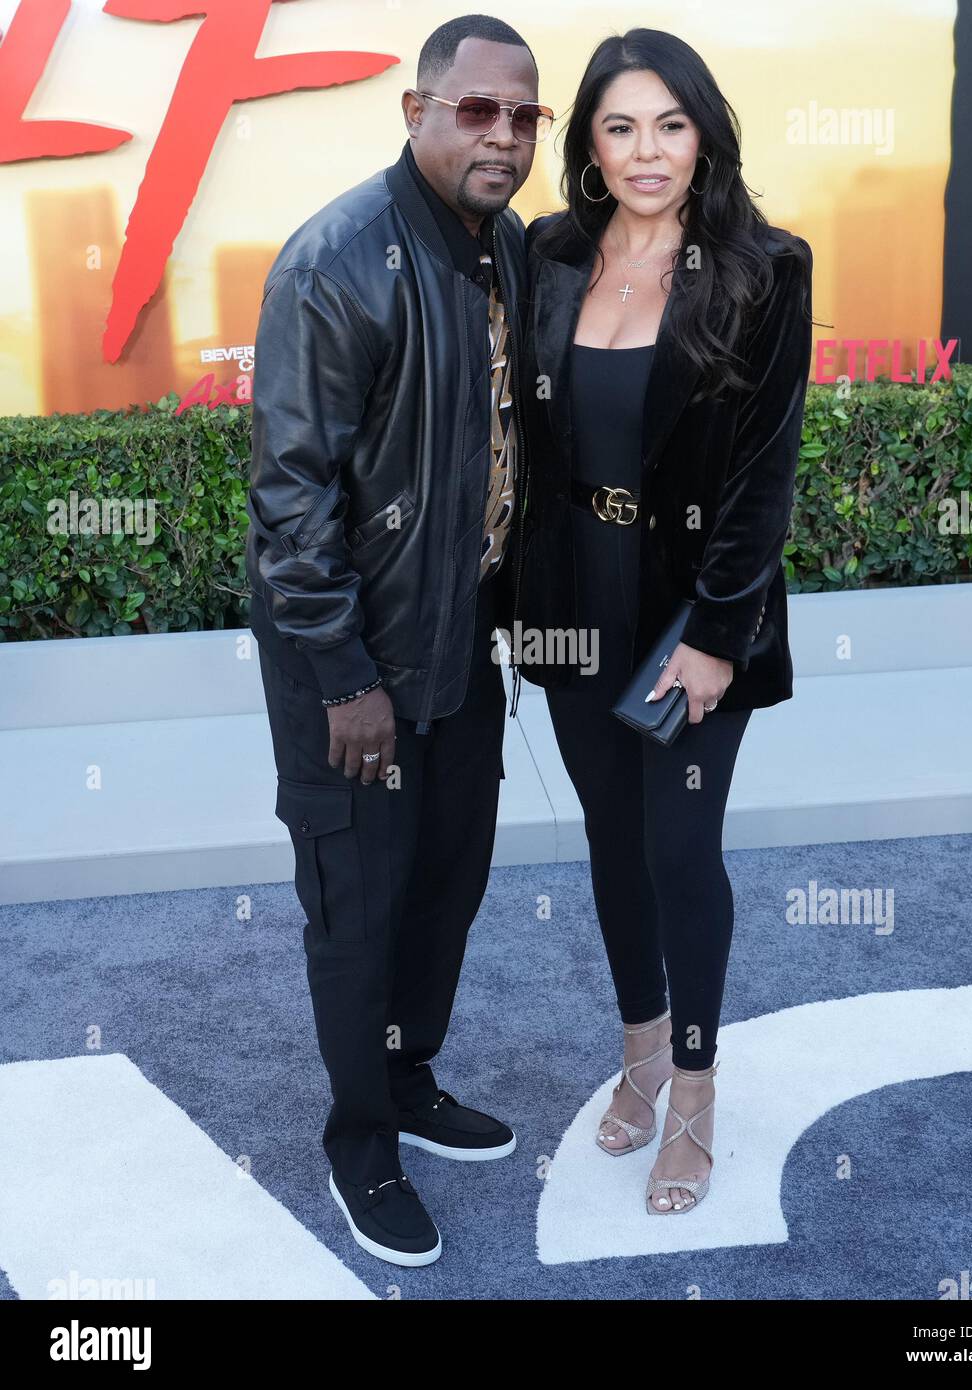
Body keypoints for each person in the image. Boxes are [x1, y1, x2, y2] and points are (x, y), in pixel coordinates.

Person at [245, 15, 551, 1266]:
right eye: (475, 110)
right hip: (355, 669)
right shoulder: (334, 260)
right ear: (416, 111)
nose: (502, 135)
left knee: (446, 883)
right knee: (357, 903)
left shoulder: (511, 251)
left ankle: (408, 1077)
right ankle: (359, 1139)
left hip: (462, 644)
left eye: (522, 116)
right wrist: (344, 678)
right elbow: (289, 496)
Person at [510, 28, 813, 1216]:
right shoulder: (546, 255)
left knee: (678, 850)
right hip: (569, 602)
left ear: (703, 133)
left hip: (690, 610)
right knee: (607, 839)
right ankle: (635, 1052)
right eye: (620, 126)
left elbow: (762, 477)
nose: (646, 151)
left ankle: (691, 1088)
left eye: (669, 124)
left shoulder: (761, 268)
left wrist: (711, 635)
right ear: (586, 142)